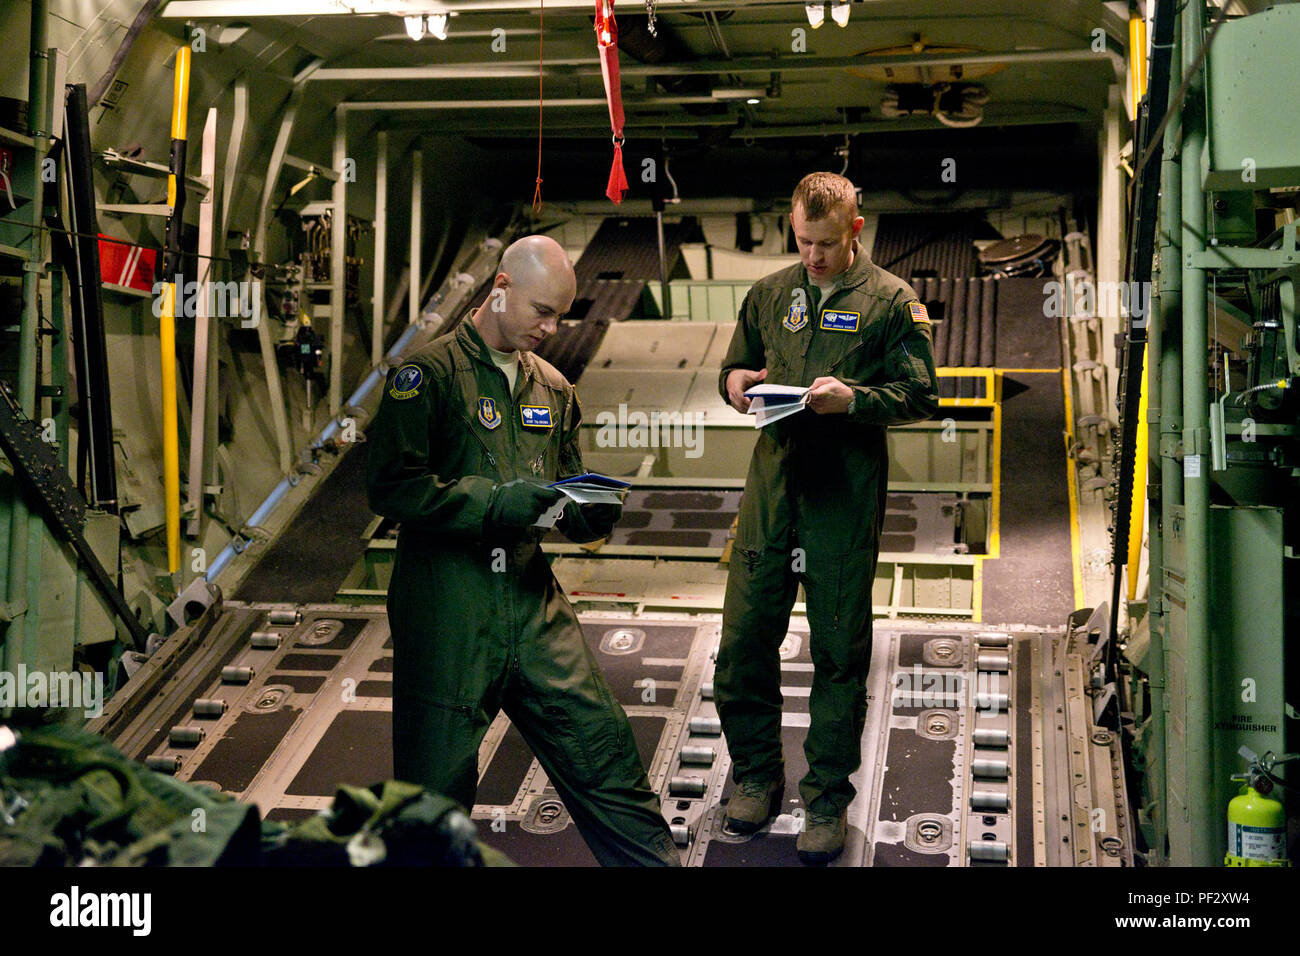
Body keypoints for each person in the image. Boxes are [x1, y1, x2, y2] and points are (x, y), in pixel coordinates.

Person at [365, 234, 680, 867]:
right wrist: (498, 503)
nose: (552, 326)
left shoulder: (555, 389)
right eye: (541, 310)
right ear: (500, 289)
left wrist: (586, 515)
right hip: (448, 609)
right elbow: (392, 487)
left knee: (603, 749)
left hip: (531, 603)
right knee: (434, 796)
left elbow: (563, 488)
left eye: (561, 313)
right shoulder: (425, 376)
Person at [715, 172, 939, 864]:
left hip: (842, 492)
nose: (812, 256)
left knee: (839, 652)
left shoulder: (893, 303)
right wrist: (736, 385)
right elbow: (736, 366)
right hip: (773, 487)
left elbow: (922, 395)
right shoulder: (770, 293)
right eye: (803, 241)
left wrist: (857, 400)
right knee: (745, 638)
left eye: (827, 243)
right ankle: (754, 773)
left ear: (857, 230)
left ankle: (825, 799)